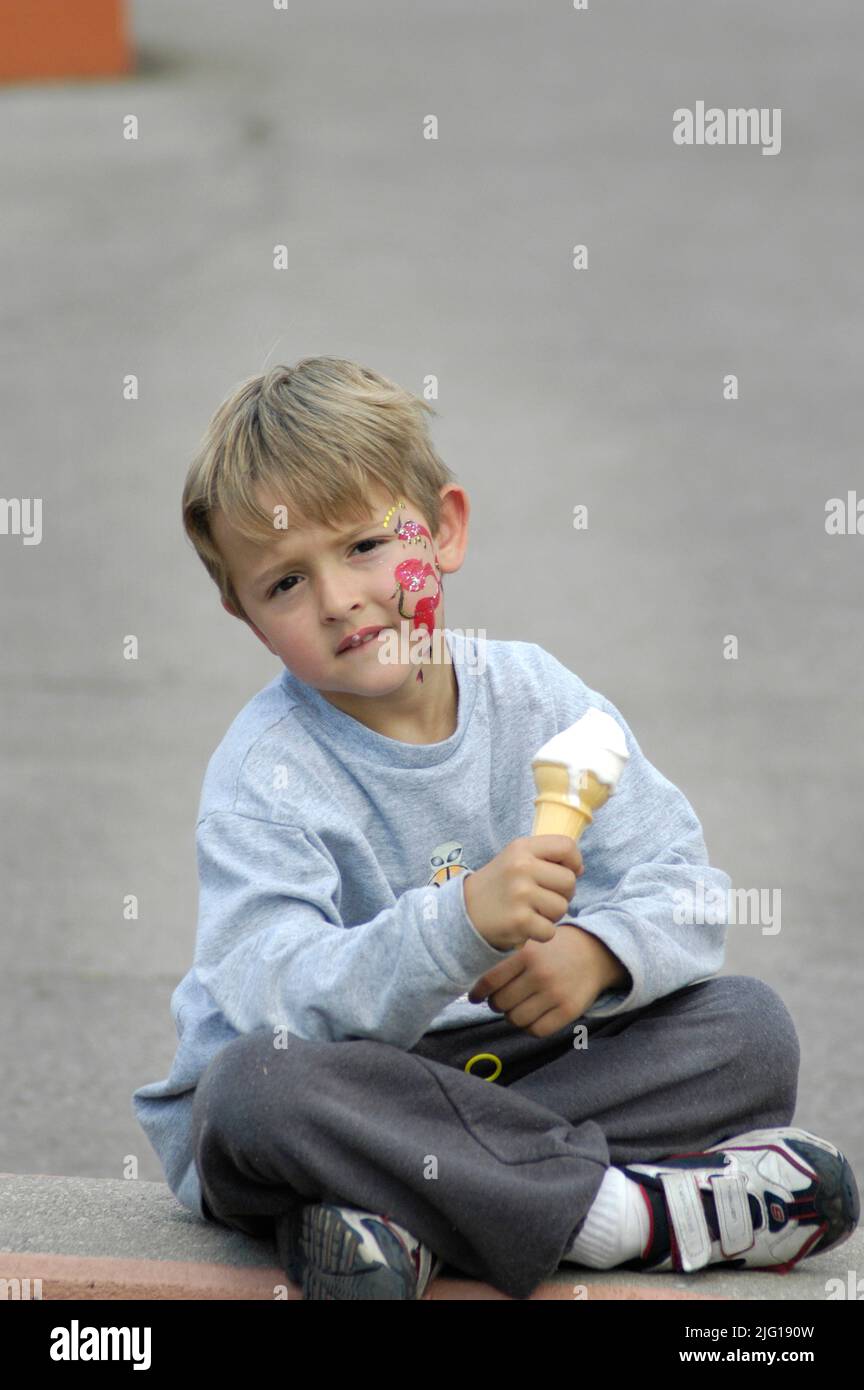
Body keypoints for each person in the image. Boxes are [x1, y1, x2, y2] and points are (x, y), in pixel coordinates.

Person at [132, 356, 859, 1301]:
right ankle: (628, 1216)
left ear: (442, 531)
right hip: (360, 1088)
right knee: (249, 1094)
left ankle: (407, 1215)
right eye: (284, 585)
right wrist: (453, 924)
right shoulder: (265, 772)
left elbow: (682, 881)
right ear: (248, 618)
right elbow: (260, 993)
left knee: (749, 1029)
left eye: (362, 546)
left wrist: (598, 953)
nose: (339, 598)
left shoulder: (538, 697)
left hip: (521, 1075)